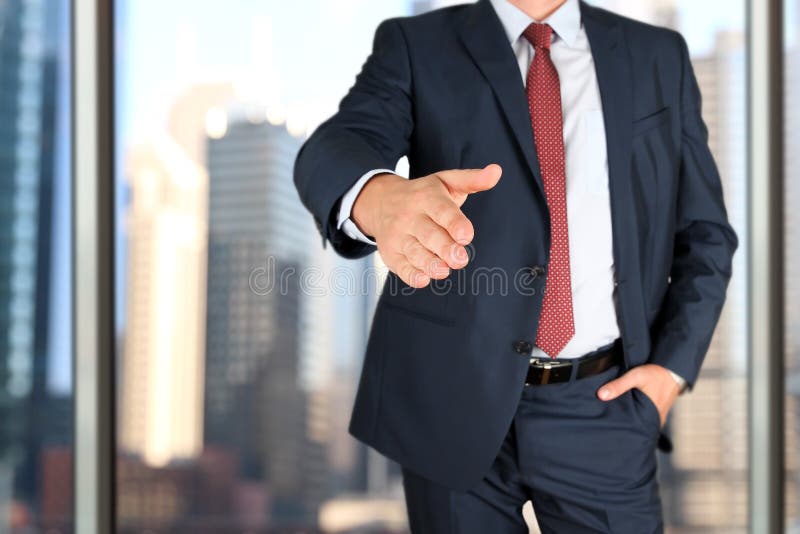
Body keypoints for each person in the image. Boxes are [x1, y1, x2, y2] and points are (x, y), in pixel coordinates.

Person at [294, 0, 738, 531]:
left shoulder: (657, 56)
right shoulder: (417, 44)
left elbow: (706, 235)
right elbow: (334, 146)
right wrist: (378, 197)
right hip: (450, 400)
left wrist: (669, 372)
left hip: (604, 406)